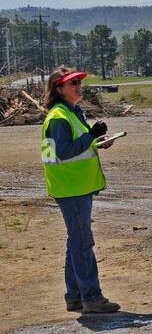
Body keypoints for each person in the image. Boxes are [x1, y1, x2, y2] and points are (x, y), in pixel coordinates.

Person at [40, 67, 120, 314]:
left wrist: (97, 141)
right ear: (59, 89)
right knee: (82, 242)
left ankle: (75, 296)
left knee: (76, 241)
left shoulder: (72, 112)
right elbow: (63, 152)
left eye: (78, 82)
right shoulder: (59, 117)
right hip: (71, 188)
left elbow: (75, 147)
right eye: (72, 83)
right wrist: (91, 137)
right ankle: (91, 297)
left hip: (75, 186)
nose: (78, 86)